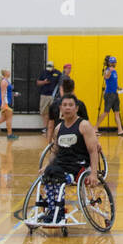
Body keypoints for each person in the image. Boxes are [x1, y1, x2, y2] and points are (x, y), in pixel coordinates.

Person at [40, 93, 101, 222]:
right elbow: (55, 152)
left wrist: (94, 174)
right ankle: (53, 209)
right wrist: (46, 165)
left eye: (71, 105)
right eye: (65, 105)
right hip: (61, 164)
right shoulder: (58, 128)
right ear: (60, 108)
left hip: (78, 165)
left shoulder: (83, 125)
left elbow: (93, 151)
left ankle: (58, 210)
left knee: (56, 175)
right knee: (48, 173)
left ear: (76, 108)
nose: (67, 108)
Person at [47, 77, 88, 145]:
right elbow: (86, 125)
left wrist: (48, 144)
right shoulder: (79, 104)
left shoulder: (54, 105)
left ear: (62, 88)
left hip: (60, 139)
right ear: (73, 88)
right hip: (76, 140)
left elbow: (50, 127)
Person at [97, 56, 123, 135]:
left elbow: (114, 82)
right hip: (109, 94)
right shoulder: (108, 70)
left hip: (115, 93)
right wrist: (109, 70)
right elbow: (106, 77)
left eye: (114, 62)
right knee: (106, 112)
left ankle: (120, 130)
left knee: (117, 112)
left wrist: (120, 88)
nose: (113, 64)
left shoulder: (115, 71)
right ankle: (95, 128)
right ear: (109, 63)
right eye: (112, 62)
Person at [0, 68, 17, 139]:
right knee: (9, 118)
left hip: (5, 102)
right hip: (6, 103)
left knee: (3, 118)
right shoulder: (4, 82)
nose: (10, 72)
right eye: (8, 71)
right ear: (5, 73)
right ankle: (9, 135)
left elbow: (8, 92)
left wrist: (13, 94)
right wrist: (3, 103)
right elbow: (3, 93)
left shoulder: (6, 81)